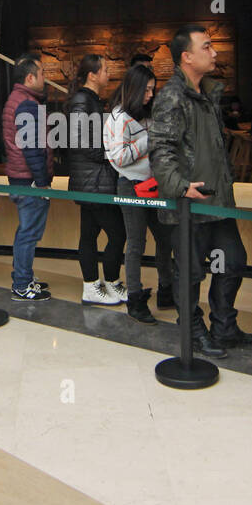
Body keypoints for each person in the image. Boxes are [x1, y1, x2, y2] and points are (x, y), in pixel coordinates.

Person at [151, 24, 252, 358]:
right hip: (189, 203)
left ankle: (224, 326)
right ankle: (193, 330)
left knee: (233, 262)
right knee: (190, 272)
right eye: (207, 47)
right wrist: (180, 187)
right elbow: (161, 148)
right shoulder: (172, 96)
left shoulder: (207, 93)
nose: (214, 53)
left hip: (217, 202)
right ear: (187, 56)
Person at [106, 63, 174, 323]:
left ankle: (166, 290)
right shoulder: (118, 117)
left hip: (152, 184)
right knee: (136, 243)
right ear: (134, 89)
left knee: (164, 238)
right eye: (146, 90)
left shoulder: (143, 114)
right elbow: (119, 157)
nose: (150, 95)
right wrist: (149, 139)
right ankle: (135, 298)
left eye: (152, 90)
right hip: (131, 185)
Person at [65, 55, 127, 306]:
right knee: (118, 233)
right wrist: (113, 152)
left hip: (92, 179)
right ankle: (109, 282)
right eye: (106, 69)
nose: (109, 73)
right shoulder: (82, 100)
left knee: (89, 234)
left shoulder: (90, 99)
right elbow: (81, 142)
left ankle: (93, 286)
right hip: (93, 180)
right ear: (92, 75)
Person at [2, 54, 52, 302]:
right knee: (29, 233)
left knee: (26, 232)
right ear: (30, 77)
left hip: (20, 177)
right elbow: (32, 149)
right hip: (29, 180)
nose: (45, 78)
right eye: (42, 73)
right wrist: (42, 182)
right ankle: (22, 284)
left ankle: (24, 278)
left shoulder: (17, 98)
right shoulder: (27, 104)